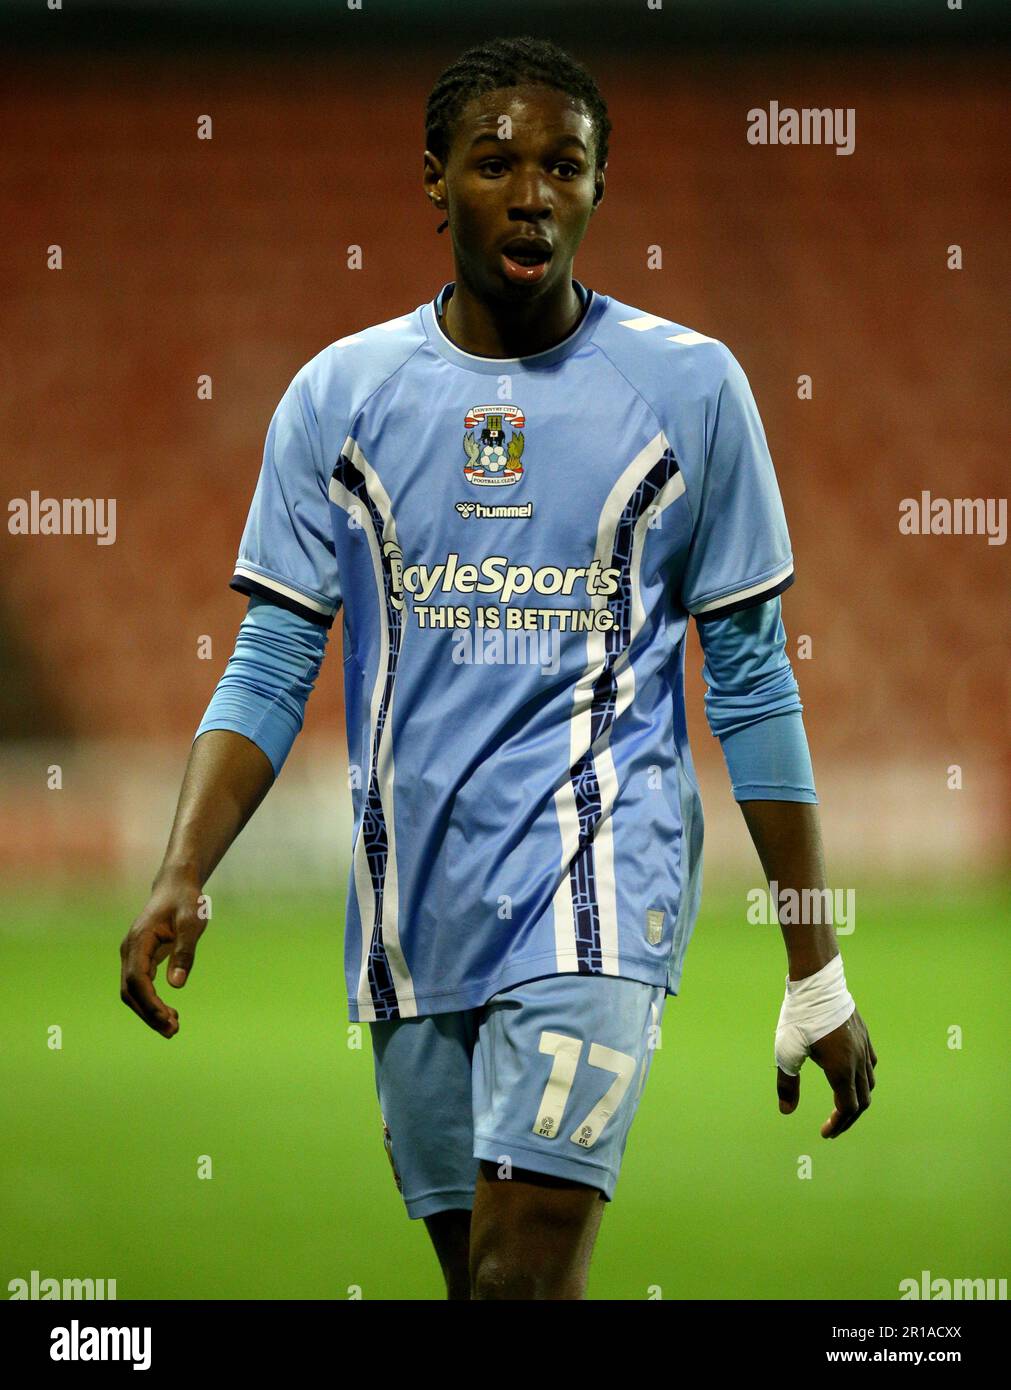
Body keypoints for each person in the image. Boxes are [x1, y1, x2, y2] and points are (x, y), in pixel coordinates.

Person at [119, 36, 876, 1301]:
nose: (532, 194)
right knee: (493, 1289)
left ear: (598, 189)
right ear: (433, 183)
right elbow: (271, 657)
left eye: (564, 166)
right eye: (495, 164)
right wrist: (182, 867)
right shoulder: (338, 399)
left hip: (599, 892)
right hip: (413, 915)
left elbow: (752, 683)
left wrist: (817, 960)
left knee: (517, 1279)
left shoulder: (691, 390)